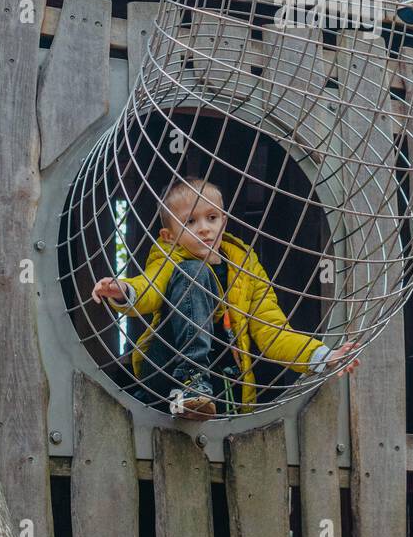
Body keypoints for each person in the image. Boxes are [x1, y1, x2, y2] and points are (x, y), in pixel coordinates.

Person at [91, 178, 358, 418]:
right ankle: (190, 379)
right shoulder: (169, 258)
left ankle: (199, 396)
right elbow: (149, 287)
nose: (204, 229)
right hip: (167, 371)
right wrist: (124, 291)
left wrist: (321, 357)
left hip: (221, 382)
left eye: (212, 217)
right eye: (190, 222)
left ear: (224, 221)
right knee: (193, 273)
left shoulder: (245, 264)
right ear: (169, 236)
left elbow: (272, 331)